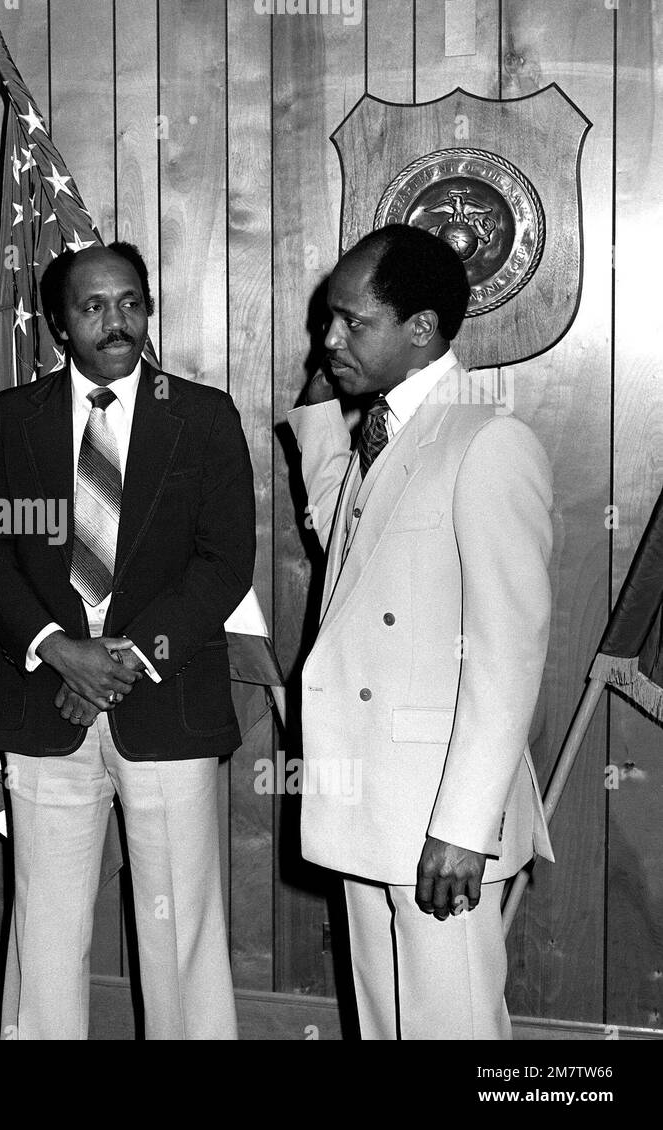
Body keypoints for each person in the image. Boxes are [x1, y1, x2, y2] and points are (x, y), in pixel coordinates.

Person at [0, 242, 256, 1040]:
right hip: (42, 694)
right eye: (92, 306)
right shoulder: (10, 421)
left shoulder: (202, 416)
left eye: (129, 301)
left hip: (163, 698)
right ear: (60, 322)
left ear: (149, 308)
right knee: (45, 924)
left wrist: (126, 658)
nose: (114, 320)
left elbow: (224, 562)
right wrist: (58, 646)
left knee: (180, 925)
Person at [287, 223, 555, 1040]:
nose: (329, 339)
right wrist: (325, 408)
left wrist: (463, 829)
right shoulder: (384, 428)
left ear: (423, 329)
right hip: (369, 796)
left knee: (454, 1025)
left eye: (351, 322)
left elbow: (509, 656)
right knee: (386, 1023)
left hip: (439, 810)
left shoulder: (487, 441)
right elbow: (351, 542)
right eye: (327, 319)